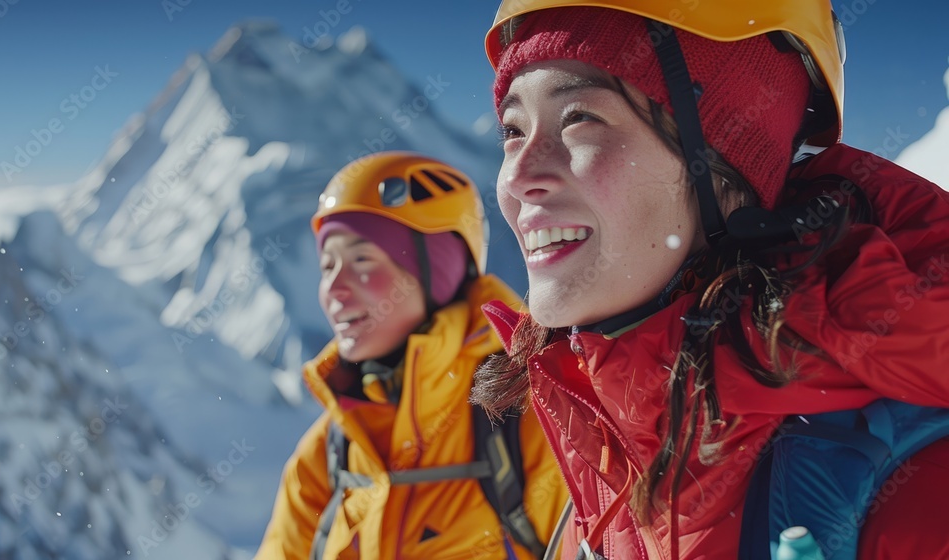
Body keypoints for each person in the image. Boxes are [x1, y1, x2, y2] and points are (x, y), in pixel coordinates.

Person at [470, 1, 949, 558]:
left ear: (725, 174)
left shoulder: (920, 501)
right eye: (512, 130)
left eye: (579, 118)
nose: (517, 175)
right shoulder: (606, 460)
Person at [253, 151, 567, 560]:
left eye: (362, 260)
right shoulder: (328, 453)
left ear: (438, 271)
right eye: (327, 266)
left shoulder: (537, 417)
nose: (335, 288)